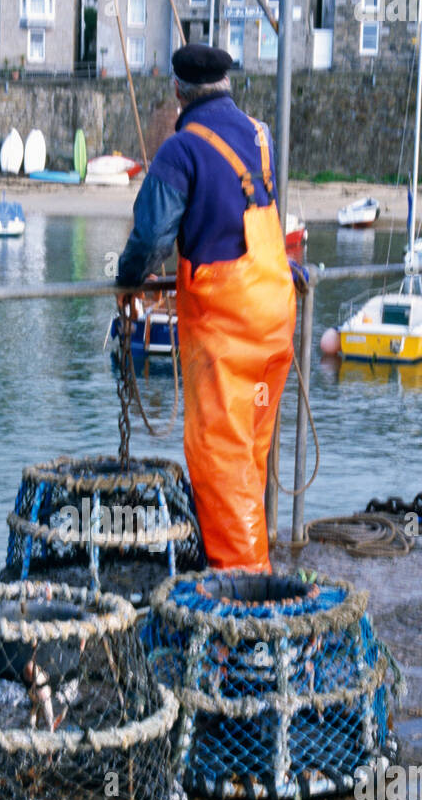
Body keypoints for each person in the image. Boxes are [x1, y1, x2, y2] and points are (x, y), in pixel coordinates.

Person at [116, 43, 296, 573]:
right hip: (275, 314)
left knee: (222, 461)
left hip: (227, 327)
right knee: (253, 451)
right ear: (227, 83)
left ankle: (245, 593)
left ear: (178, 90)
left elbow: (151, 235)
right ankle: (251, 567)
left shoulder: (182, 148)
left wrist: (130, 280)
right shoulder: (260, 135)